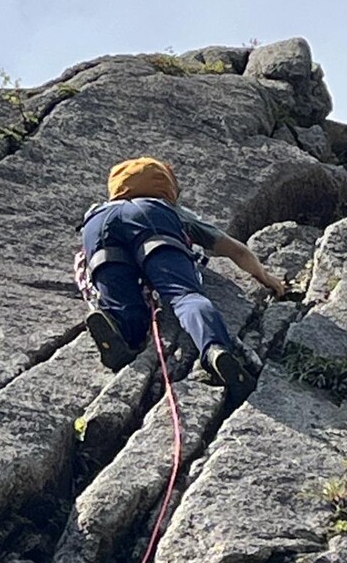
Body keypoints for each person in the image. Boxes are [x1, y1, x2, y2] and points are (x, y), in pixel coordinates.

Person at [80, 156, 286, 400]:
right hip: (151, 220)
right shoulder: (166, 208)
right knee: (185, 295)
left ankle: (120, 329)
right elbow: (235, 250)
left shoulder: (98, 211)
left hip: (98, 226)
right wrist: (267, 278)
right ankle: (215, 349)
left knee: (123, 303)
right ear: (166, 186)